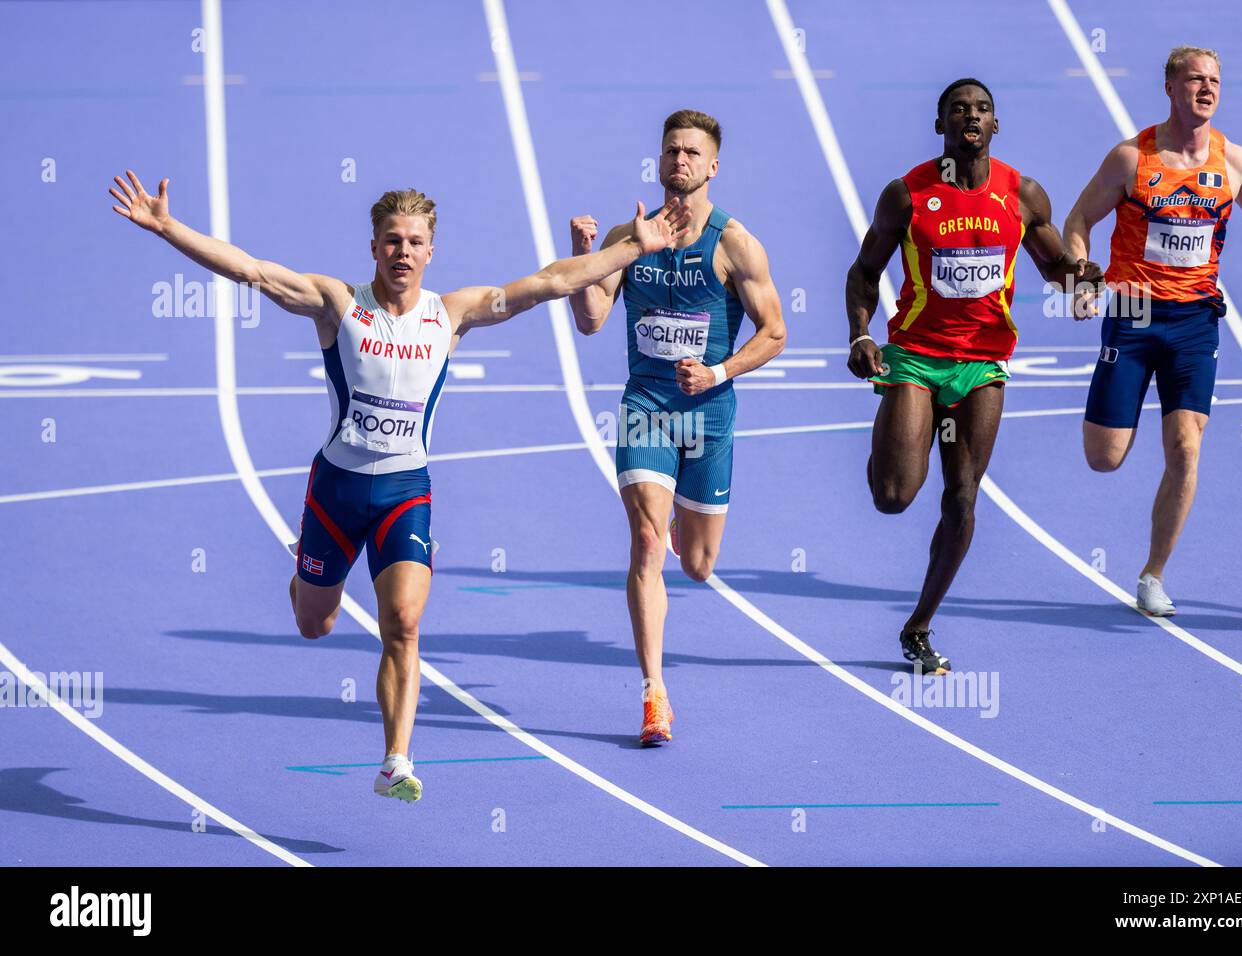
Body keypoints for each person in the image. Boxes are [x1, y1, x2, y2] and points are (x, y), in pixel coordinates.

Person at [110, 170, 690, 797]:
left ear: (431, 250)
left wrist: (635, 247)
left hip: (404, 493)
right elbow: (251, 270)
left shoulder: (451, 314)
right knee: (314, 623)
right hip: (335, 492)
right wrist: (168, 228)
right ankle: (306, 572)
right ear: (374, 248)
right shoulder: (338, 305)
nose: (403, 252)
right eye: (392, 241)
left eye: (414, 242)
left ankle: (397, 760)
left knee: (404, 625)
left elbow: (549, 283)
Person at [845, 80, 1104, 673]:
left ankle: (918, 626)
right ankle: (896, 436)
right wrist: (861, 334)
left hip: (983, 362)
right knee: (892, 497)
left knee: (962, 501)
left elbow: (1055, 270)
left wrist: (1083, 281)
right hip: (915, 353)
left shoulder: (1022, 194)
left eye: (982, 109)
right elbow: (862, 274)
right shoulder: (907, 195)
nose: (971, 115)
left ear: (995, 125)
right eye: (958, 108)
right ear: (940, 125)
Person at [567, 110, 786, 744]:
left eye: (692, 152)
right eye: (671, 150)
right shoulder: (627, 236)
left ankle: (677, 527)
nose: (679, 160)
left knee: (697, 564)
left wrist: (718, 373)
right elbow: (591, 319)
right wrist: (587, 255)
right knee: (643, 540)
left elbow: (775, 332)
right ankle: (654, 693)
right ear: (659, 161)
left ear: (713, 166)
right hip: (645, 408)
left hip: (710, 415)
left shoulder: (734, 243)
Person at [1064, 46, 1242, 616]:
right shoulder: (1129, 159)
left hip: (1195, 320)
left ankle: (1152, 576)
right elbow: (1079, 219)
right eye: (1195, 80)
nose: (1207, 89)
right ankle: (1120, 401)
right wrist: (1081, 280)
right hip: (1133, 309)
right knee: (1104, 458)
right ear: (1170, 88)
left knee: (1186, 447)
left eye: (1214, 80)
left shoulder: (1235, 162)